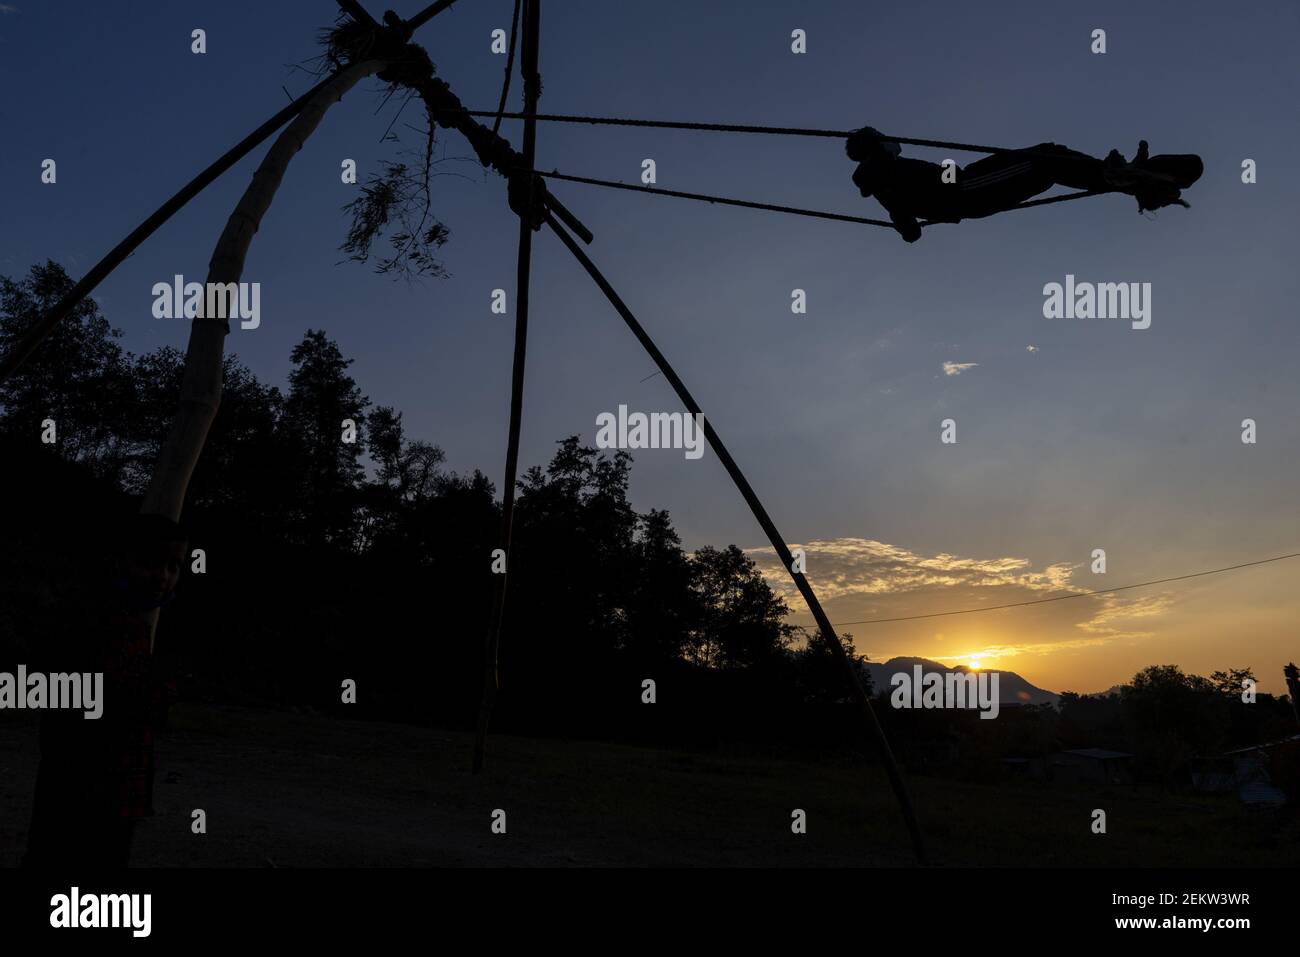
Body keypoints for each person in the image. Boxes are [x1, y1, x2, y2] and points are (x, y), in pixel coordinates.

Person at [22, 513, 186, 869]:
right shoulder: (98, 622)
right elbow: (129, 704)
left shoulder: (138, 625)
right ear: (119, 561)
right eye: (149, 563)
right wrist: (159, 687)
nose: (163, 577)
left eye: (174, 566)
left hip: (114, 788)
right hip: (86, 787)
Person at [846, 126, 1204, 242]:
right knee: (1044, 161)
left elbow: (908, 228)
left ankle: (1124, 180)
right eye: (884, 140)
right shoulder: (884, 169)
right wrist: (945, 177)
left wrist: (909, 213)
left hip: (965, 186)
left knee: (1048, 157)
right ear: (877, 146)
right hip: (967, 188)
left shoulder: (885, 179)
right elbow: (908, 217)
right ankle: (1124, 179)